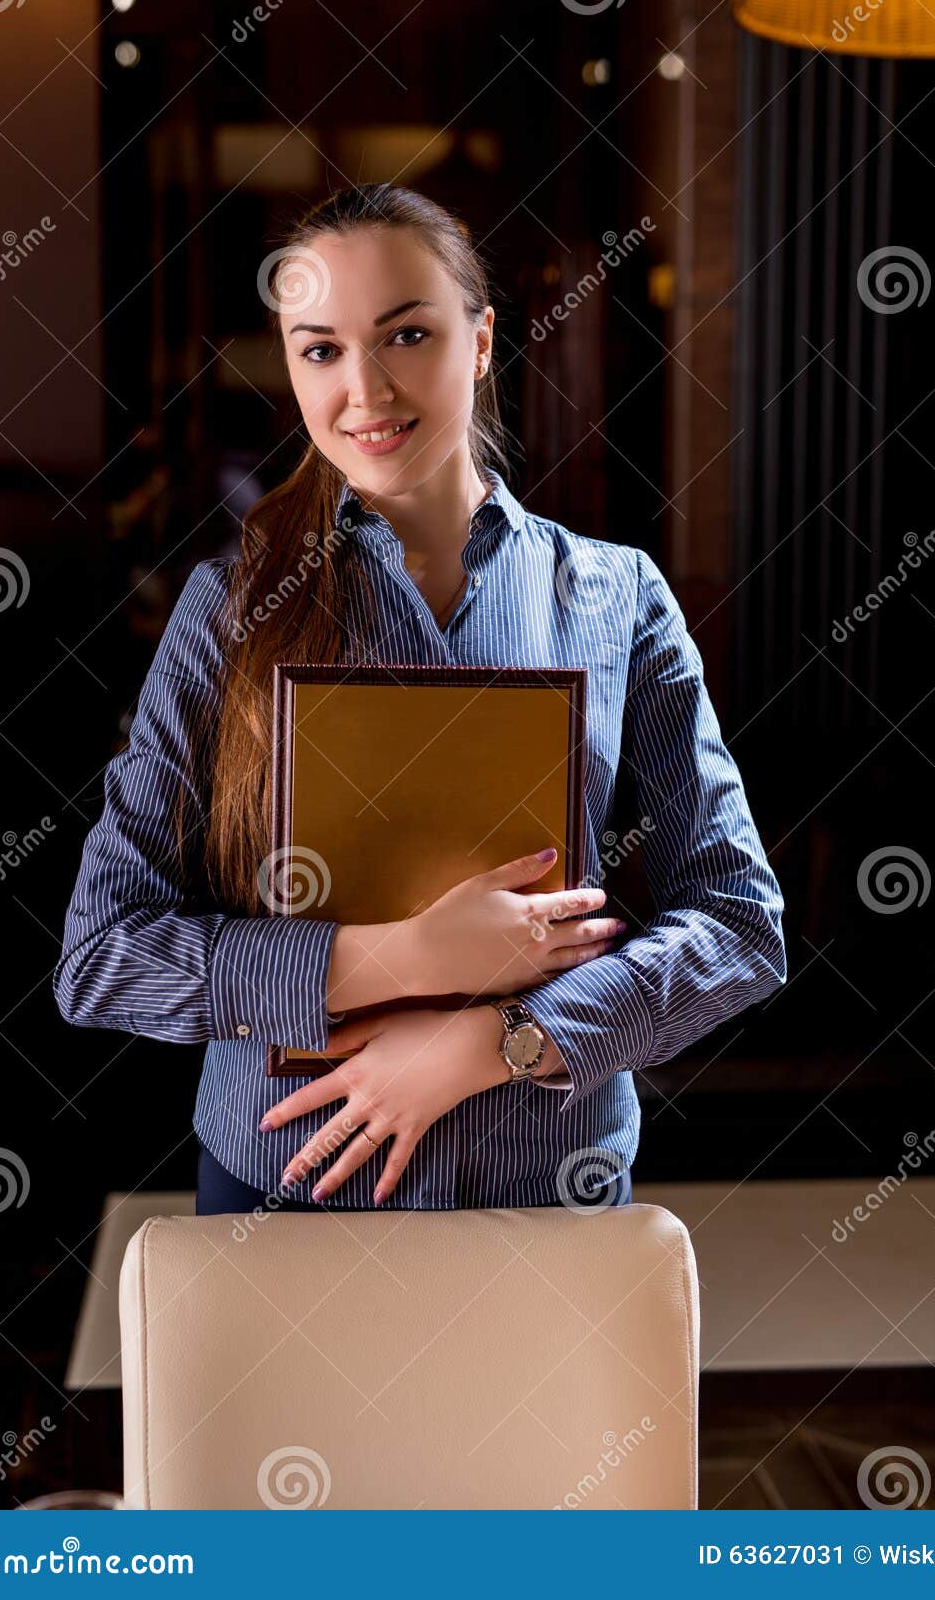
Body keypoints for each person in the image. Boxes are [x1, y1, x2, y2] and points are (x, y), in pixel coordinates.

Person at [53, 182, 786, 1218]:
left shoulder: (615, 597)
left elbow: (735, 928)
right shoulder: (227, 610)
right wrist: (391, 958)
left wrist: (493, 1042)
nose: (365, 389)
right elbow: (103, 958)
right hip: (289, 1194)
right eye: (319, 349)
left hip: (549, 1192)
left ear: (479, 342)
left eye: (405, 334)